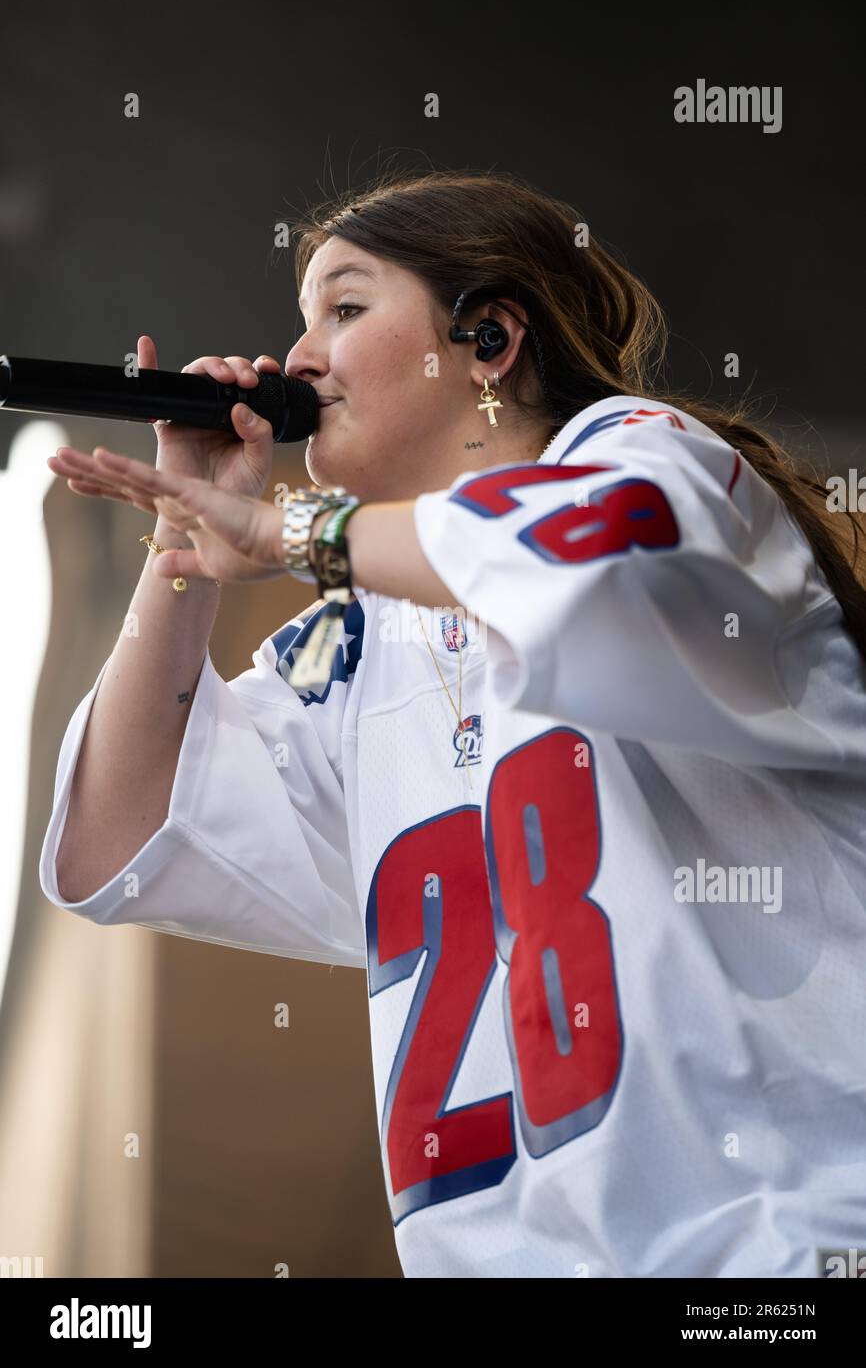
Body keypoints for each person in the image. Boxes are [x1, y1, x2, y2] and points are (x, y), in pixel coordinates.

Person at [40, 170, 866, 1279]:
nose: (295, 359)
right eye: (300, 322)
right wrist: (185, 544)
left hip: (775, 1258)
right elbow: (116, 838)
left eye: (343, 307)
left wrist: (298, 531)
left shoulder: (644, 452)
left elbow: (587, 559)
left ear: (486, 339)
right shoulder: (361, 639)